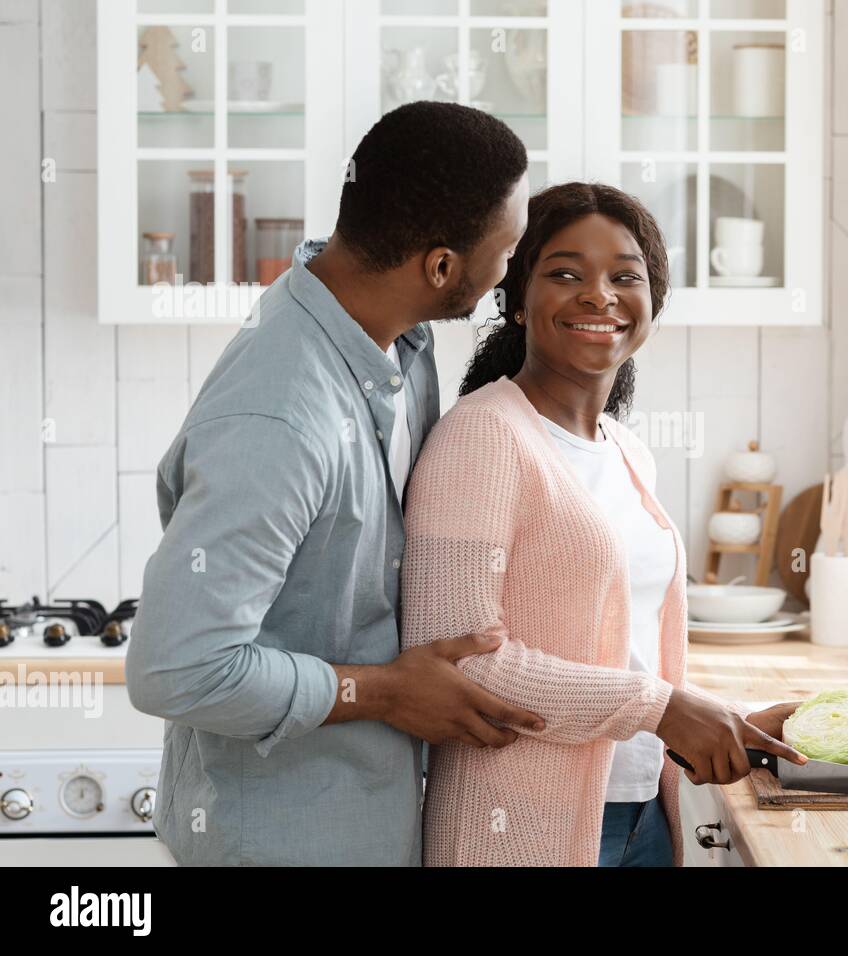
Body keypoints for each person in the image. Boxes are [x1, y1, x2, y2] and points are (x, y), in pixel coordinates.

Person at [126, 103, 539, 866]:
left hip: (370, 820)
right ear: (442, 267)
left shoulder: (396, 338)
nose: (510, 269)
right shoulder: (280, 420)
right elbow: (175, 671)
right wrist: (385, 692)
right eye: (507, 250)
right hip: (278, 841)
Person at [401, 182, 805, 867]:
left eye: (626, 276)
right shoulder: (482, 437)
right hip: (517, 827)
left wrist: (724, 714)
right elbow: (461, 664)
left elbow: (621, 657)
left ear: (653, 303)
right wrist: (663, 708)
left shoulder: (625, 450)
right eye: (565, 273)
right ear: (517, 300)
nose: (599, 295)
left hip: (642, 812)